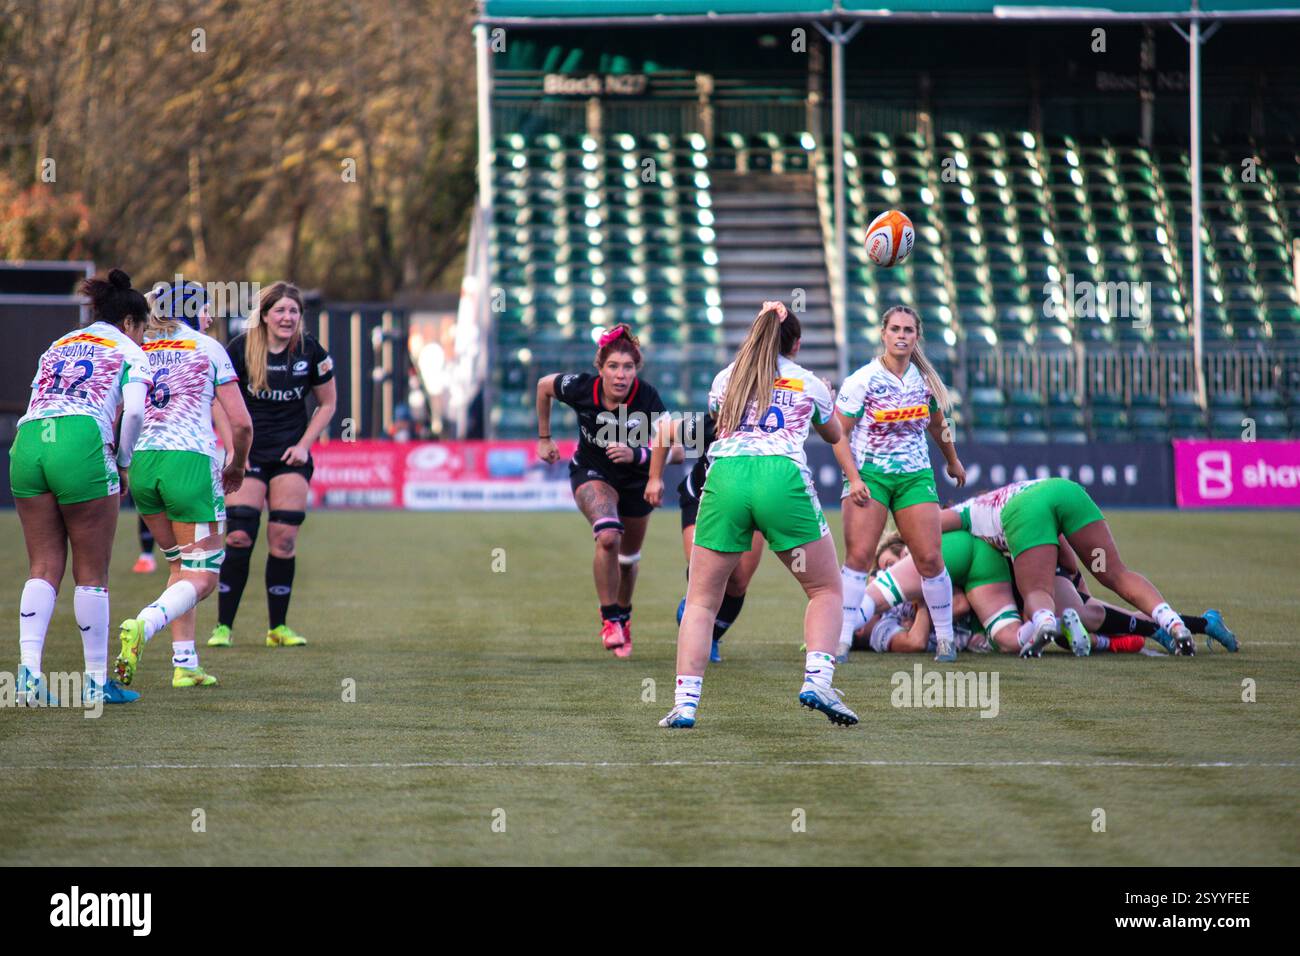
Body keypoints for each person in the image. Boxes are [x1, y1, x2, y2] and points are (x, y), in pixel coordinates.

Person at [653, 301, 869, 729]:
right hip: (780, 478)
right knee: (825, 589)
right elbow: (833, 433)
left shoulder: (725, 377)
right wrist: (819, 394)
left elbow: (719, 419)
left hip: (727, 476)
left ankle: (685, 703)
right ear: (798, 344)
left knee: (700, 600)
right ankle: (818, 680)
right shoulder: (809, 382)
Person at [9, 269, 151, 705]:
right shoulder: (129, 349)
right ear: (129, 322)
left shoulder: (60, 344)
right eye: (144, 329)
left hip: (29, 440)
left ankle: (28, 676)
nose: (144, 338)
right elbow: (134, 414)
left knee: (43, 565)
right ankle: (94, 682)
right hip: (80, 440)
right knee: (92, 570)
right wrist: (124, 462)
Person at [113, 280, 252, 688]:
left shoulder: (138, 349)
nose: (210, 315)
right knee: (206, 574)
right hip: (188, 464)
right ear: (192, 311)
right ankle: (144, 623)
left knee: (180, 565)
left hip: (143, 464)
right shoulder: (208, 348)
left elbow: (123, 409)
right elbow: (242, 422)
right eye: (206, 308)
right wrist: (238, 465)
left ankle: (185, 663)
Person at [209, 281, 336, 648]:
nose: (287, 317)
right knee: (239, 536)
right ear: (264, 315)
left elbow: (327, 403)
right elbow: (217, 401)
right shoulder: (240, 348)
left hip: (288, 457)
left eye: (294, 311)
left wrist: (304, 445)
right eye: (280, 310)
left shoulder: (311, 351)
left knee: (284, 538)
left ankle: (277, 628)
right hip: (248, 455)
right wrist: (233, 447)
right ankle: (223, 627)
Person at [835, 305, 966, 663]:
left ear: (916, 336)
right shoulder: (862, 380)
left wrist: (952, 460)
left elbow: (939, 426)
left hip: (914, 475)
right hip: (871, 475)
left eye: (908, 330)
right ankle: (842, 641)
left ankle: (945, 641)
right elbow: (838, 434)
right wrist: (855, 477)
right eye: (895, 329)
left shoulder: (924, 382)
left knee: (928, 557)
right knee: (859, 557)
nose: (902, 335)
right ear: (883, 334)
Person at [942, 478, 1198, 656]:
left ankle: (1043, 623)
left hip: (1024, 513)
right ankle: (1173, 623)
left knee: (1037, 591)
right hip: (1065, 492)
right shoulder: (994, 497)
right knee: (1117, 574)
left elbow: (927, 525)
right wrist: (1078, 585)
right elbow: (1068, 561)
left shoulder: (966, 513)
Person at [536, 325, 667, 658]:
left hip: (637, 480)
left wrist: (640, 457)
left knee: (628, 560)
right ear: (600, 368)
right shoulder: (581, 388)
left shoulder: (647, 397)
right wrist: (544, 437)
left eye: (628, 367)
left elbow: (677, 446)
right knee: (609, 535)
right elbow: (543, 386)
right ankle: (609, 619)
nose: (621, 375)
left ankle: (623, 616)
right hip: (592, 472)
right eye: (613, 366)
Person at [646, 410, 762, 664]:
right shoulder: (715, 424)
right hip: (703, 498)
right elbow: (665, 431)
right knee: (705, 571)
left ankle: (712, 635)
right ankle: (697, 611)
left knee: (739, 581)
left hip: (753, 502)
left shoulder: (776, 424)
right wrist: (654, 479)